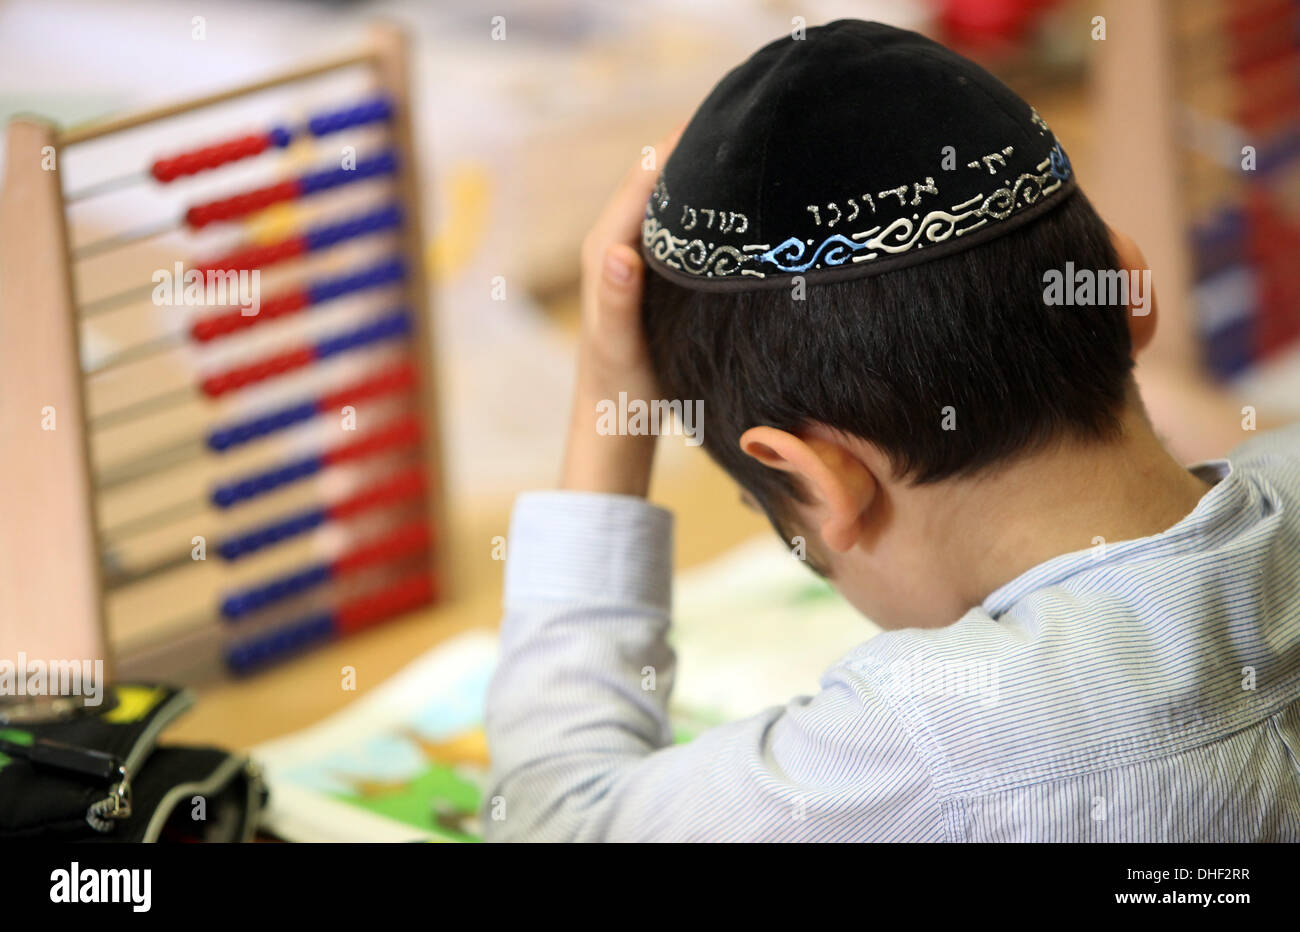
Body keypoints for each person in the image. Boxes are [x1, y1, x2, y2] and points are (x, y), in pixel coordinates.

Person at [482, 20, 1300, 841]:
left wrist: (607, 398)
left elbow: (555, 817)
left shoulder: (931, 742)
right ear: (1126, 289)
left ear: (816, 479)